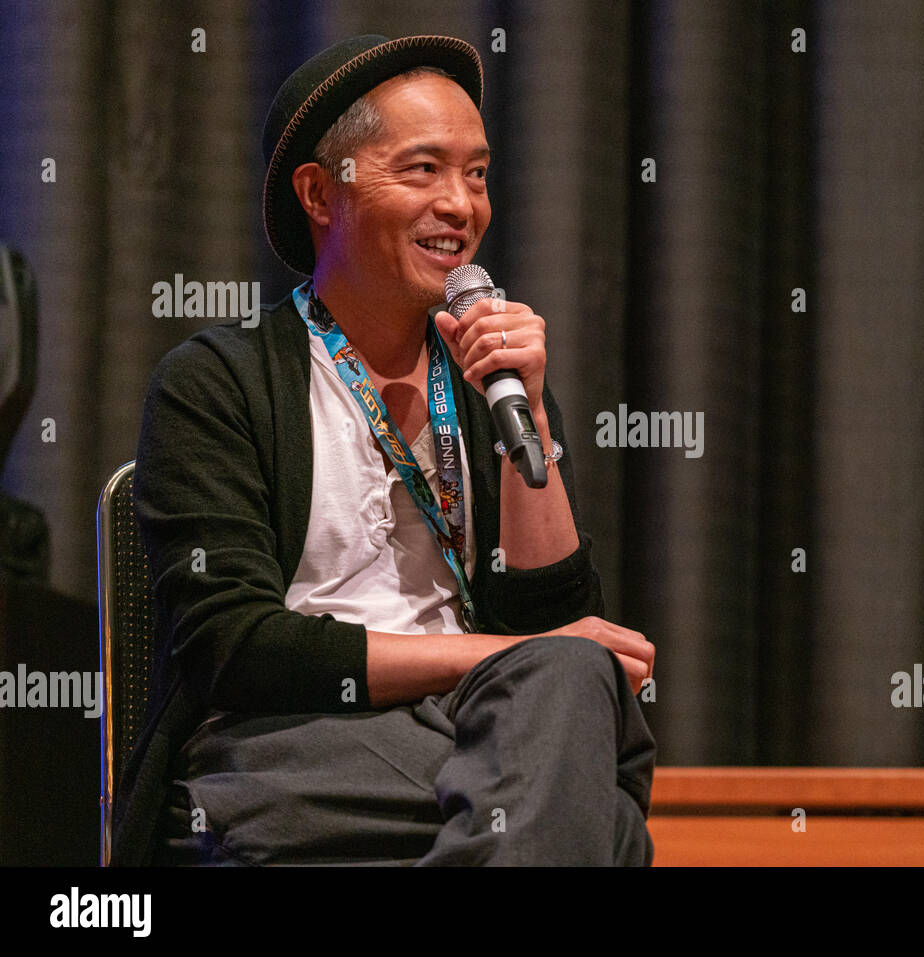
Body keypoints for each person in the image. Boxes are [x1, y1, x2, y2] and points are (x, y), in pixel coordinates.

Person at [113, 34, 657, 866]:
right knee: (587, 806)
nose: (462, 205)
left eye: (477, 174)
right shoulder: (216, 382)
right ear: (321, 192)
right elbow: (236, 647)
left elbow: (551, 628)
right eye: (424, 169)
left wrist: (531, 417)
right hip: (294, 744)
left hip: (487, 729)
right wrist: (520, 659)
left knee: (568, 702)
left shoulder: (490, 384)